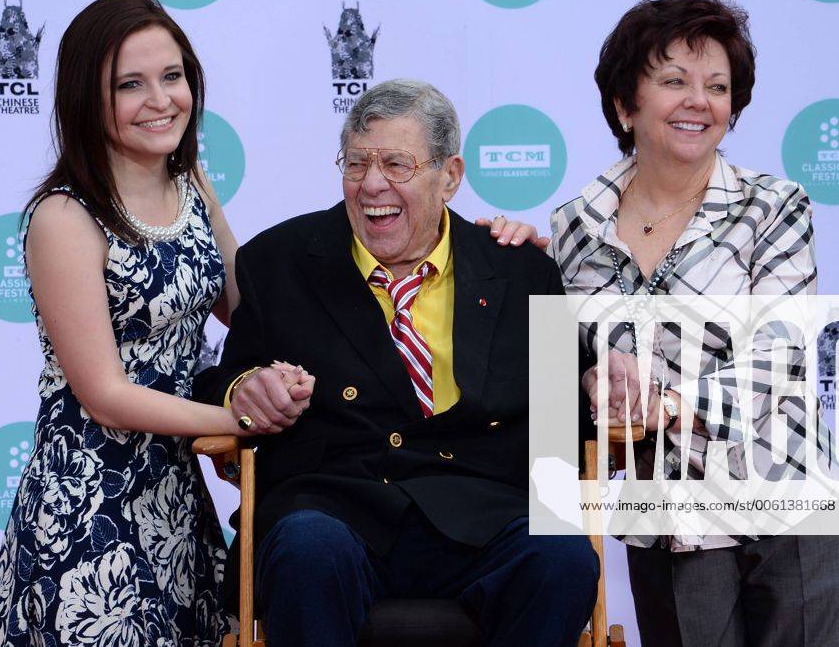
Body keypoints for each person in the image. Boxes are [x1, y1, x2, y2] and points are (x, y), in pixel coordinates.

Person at [194, 78, 599, 647]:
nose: (372, 185)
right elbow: (221, 380)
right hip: (334, 506)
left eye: (397, 164)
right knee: (306, 549)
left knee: (562, 557)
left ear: (450, 176)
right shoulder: (278, 260)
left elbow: (566, 426)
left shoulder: (523, 271)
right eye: (356, 164)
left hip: (482, 514)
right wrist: (242, 391)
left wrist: (596, 377)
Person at [0, 0, 319, 647]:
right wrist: (237, 421)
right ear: (86, 98)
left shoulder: (190, 183)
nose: (161, 99)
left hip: (174, 495)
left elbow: (253, 307)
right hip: (87, 505)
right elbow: (104, 395)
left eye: (172, 75)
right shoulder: (64, 218)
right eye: (130, 84)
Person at [548, 0, 839, 646]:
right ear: (624, 104)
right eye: (675, 81)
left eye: (718, 87)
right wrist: (593, 385)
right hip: (667, 522)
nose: (701, 101)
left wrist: (663, 406)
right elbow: (573, 363)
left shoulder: (773, 207)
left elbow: (781, 359)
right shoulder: (573, 229)